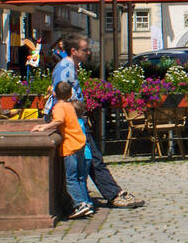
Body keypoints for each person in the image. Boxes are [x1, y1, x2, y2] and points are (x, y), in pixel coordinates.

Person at [48, 34, 145, 208]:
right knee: (92, 158)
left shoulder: (70, 66)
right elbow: (61, 97)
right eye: (85, 50)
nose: (88, 53)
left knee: (91, 159)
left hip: (76, 120)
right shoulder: (65, 69)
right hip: (73, 122)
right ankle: (107, 195)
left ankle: (102, 194)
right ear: (74, 51)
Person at [32, 80, 92, 218]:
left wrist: (43, 127)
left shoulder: (58, 107)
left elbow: (59, 120)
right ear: (70, 93)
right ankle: (86, 202)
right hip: (80, 142)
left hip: (70, 145)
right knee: (80, 176)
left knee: (70, 178)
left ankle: (80, 204)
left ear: (54, 93)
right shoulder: (69, 105)